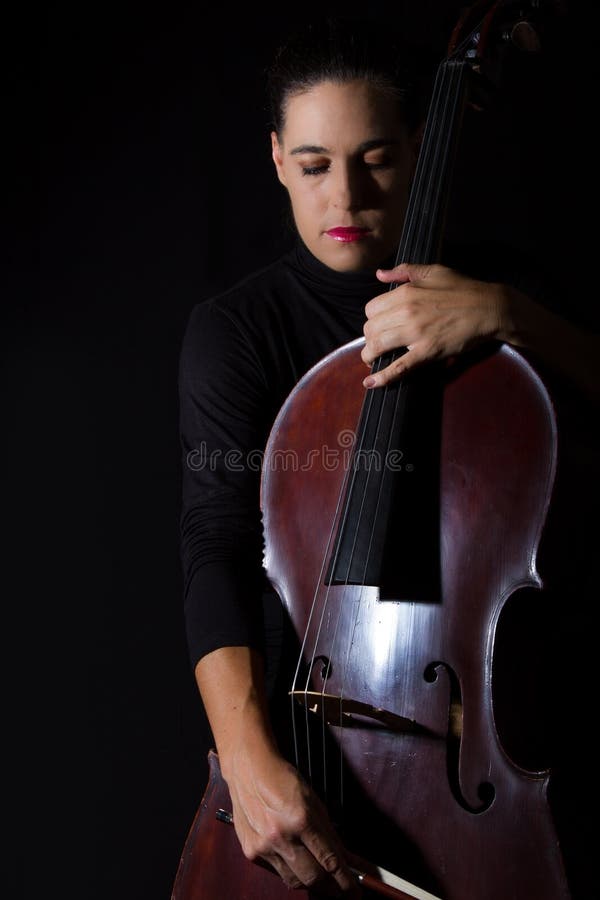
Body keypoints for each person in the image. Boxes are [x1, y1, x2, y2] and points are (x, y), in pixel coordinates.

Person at [177, 16, 598, 898]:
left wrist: (510, 316)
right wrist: (246, 763)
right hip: (296, 741)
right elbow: (216, 544)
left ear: (419, 146)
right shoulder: (239, 331)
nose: (346, 198)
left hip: (473, 743)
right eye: (314, 165)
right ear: (276, 158)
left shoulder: (504, 298)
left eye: (376, 159)